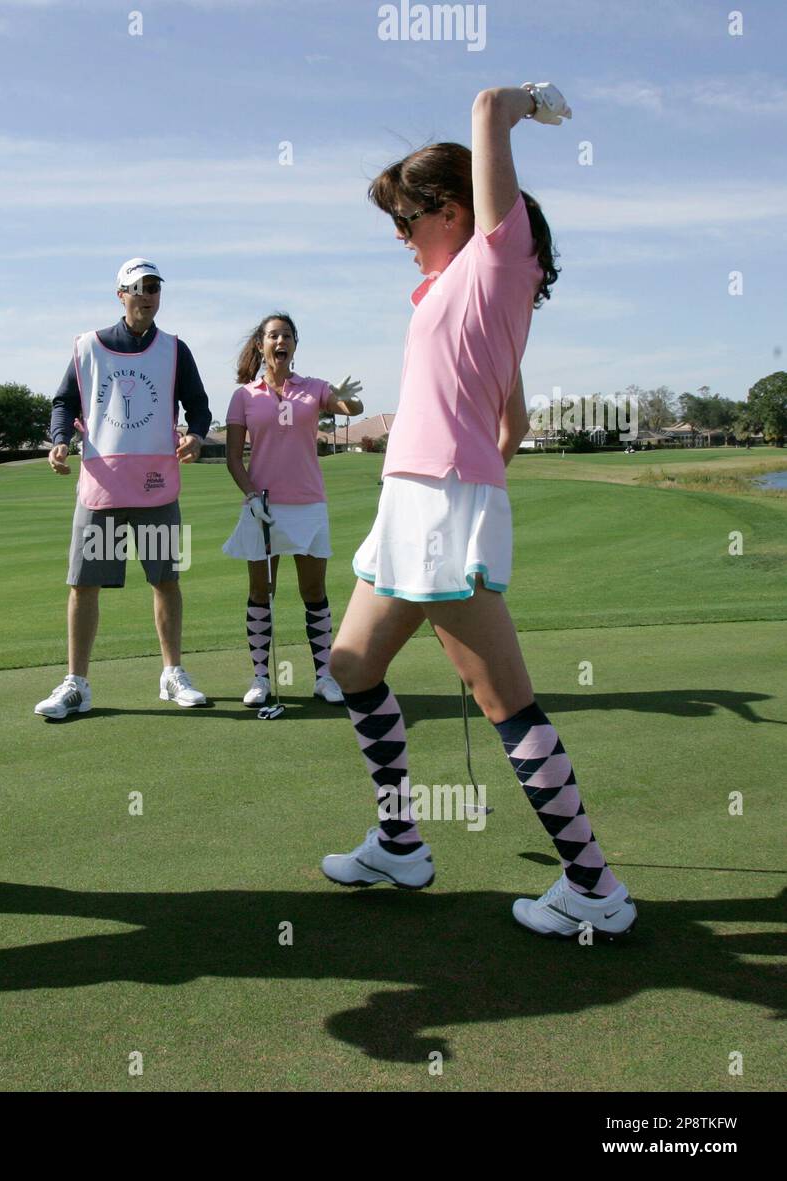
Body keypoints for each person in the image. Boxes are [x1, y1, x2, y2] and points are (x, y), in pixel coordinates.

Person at [320, 84, 637, 938]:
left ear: (453, 211)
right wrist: (470, 489)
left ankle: (595, 888)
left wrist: (531, 104)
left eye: (404, 218)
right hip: (418, 500)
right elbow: (515, 421)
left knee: (505, 700)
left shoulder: (498, 262)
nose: (396, 236)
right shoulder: (459, 291)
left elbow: (488, 104)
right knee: (352, 664)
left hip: (435, 503)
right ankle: (398, 841)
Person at [35, 258, 212, 719]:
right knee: (83, 585)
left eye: (155, 289)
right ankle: (77, 684)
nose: (148, 296)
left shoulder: (175, 349)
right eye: (140, 289)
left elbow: (198, 405)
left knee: (166, 580)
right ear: (121, 294)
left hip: (156, 485)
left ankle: (172, 674)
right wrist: (58, 441)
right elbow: (64, 402)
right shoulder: (88, 346)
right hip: (102, 485)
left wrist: (195, 435)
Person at [221, 313, 363, 706]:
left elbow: (350, 406)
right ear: (261, 346)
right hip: (261, 506)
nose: (279, 341)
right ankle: (261, 678)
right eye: (272, 336)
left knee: (313, 591)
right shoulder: (244, 396)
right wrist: (251, 498)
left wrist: (347, 397)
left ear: (294, 345)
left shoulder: (313, 388)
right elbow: (234, 458)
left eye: (285, 335)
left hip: (308, 503)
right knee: (261, 591)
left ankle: (323, 676)